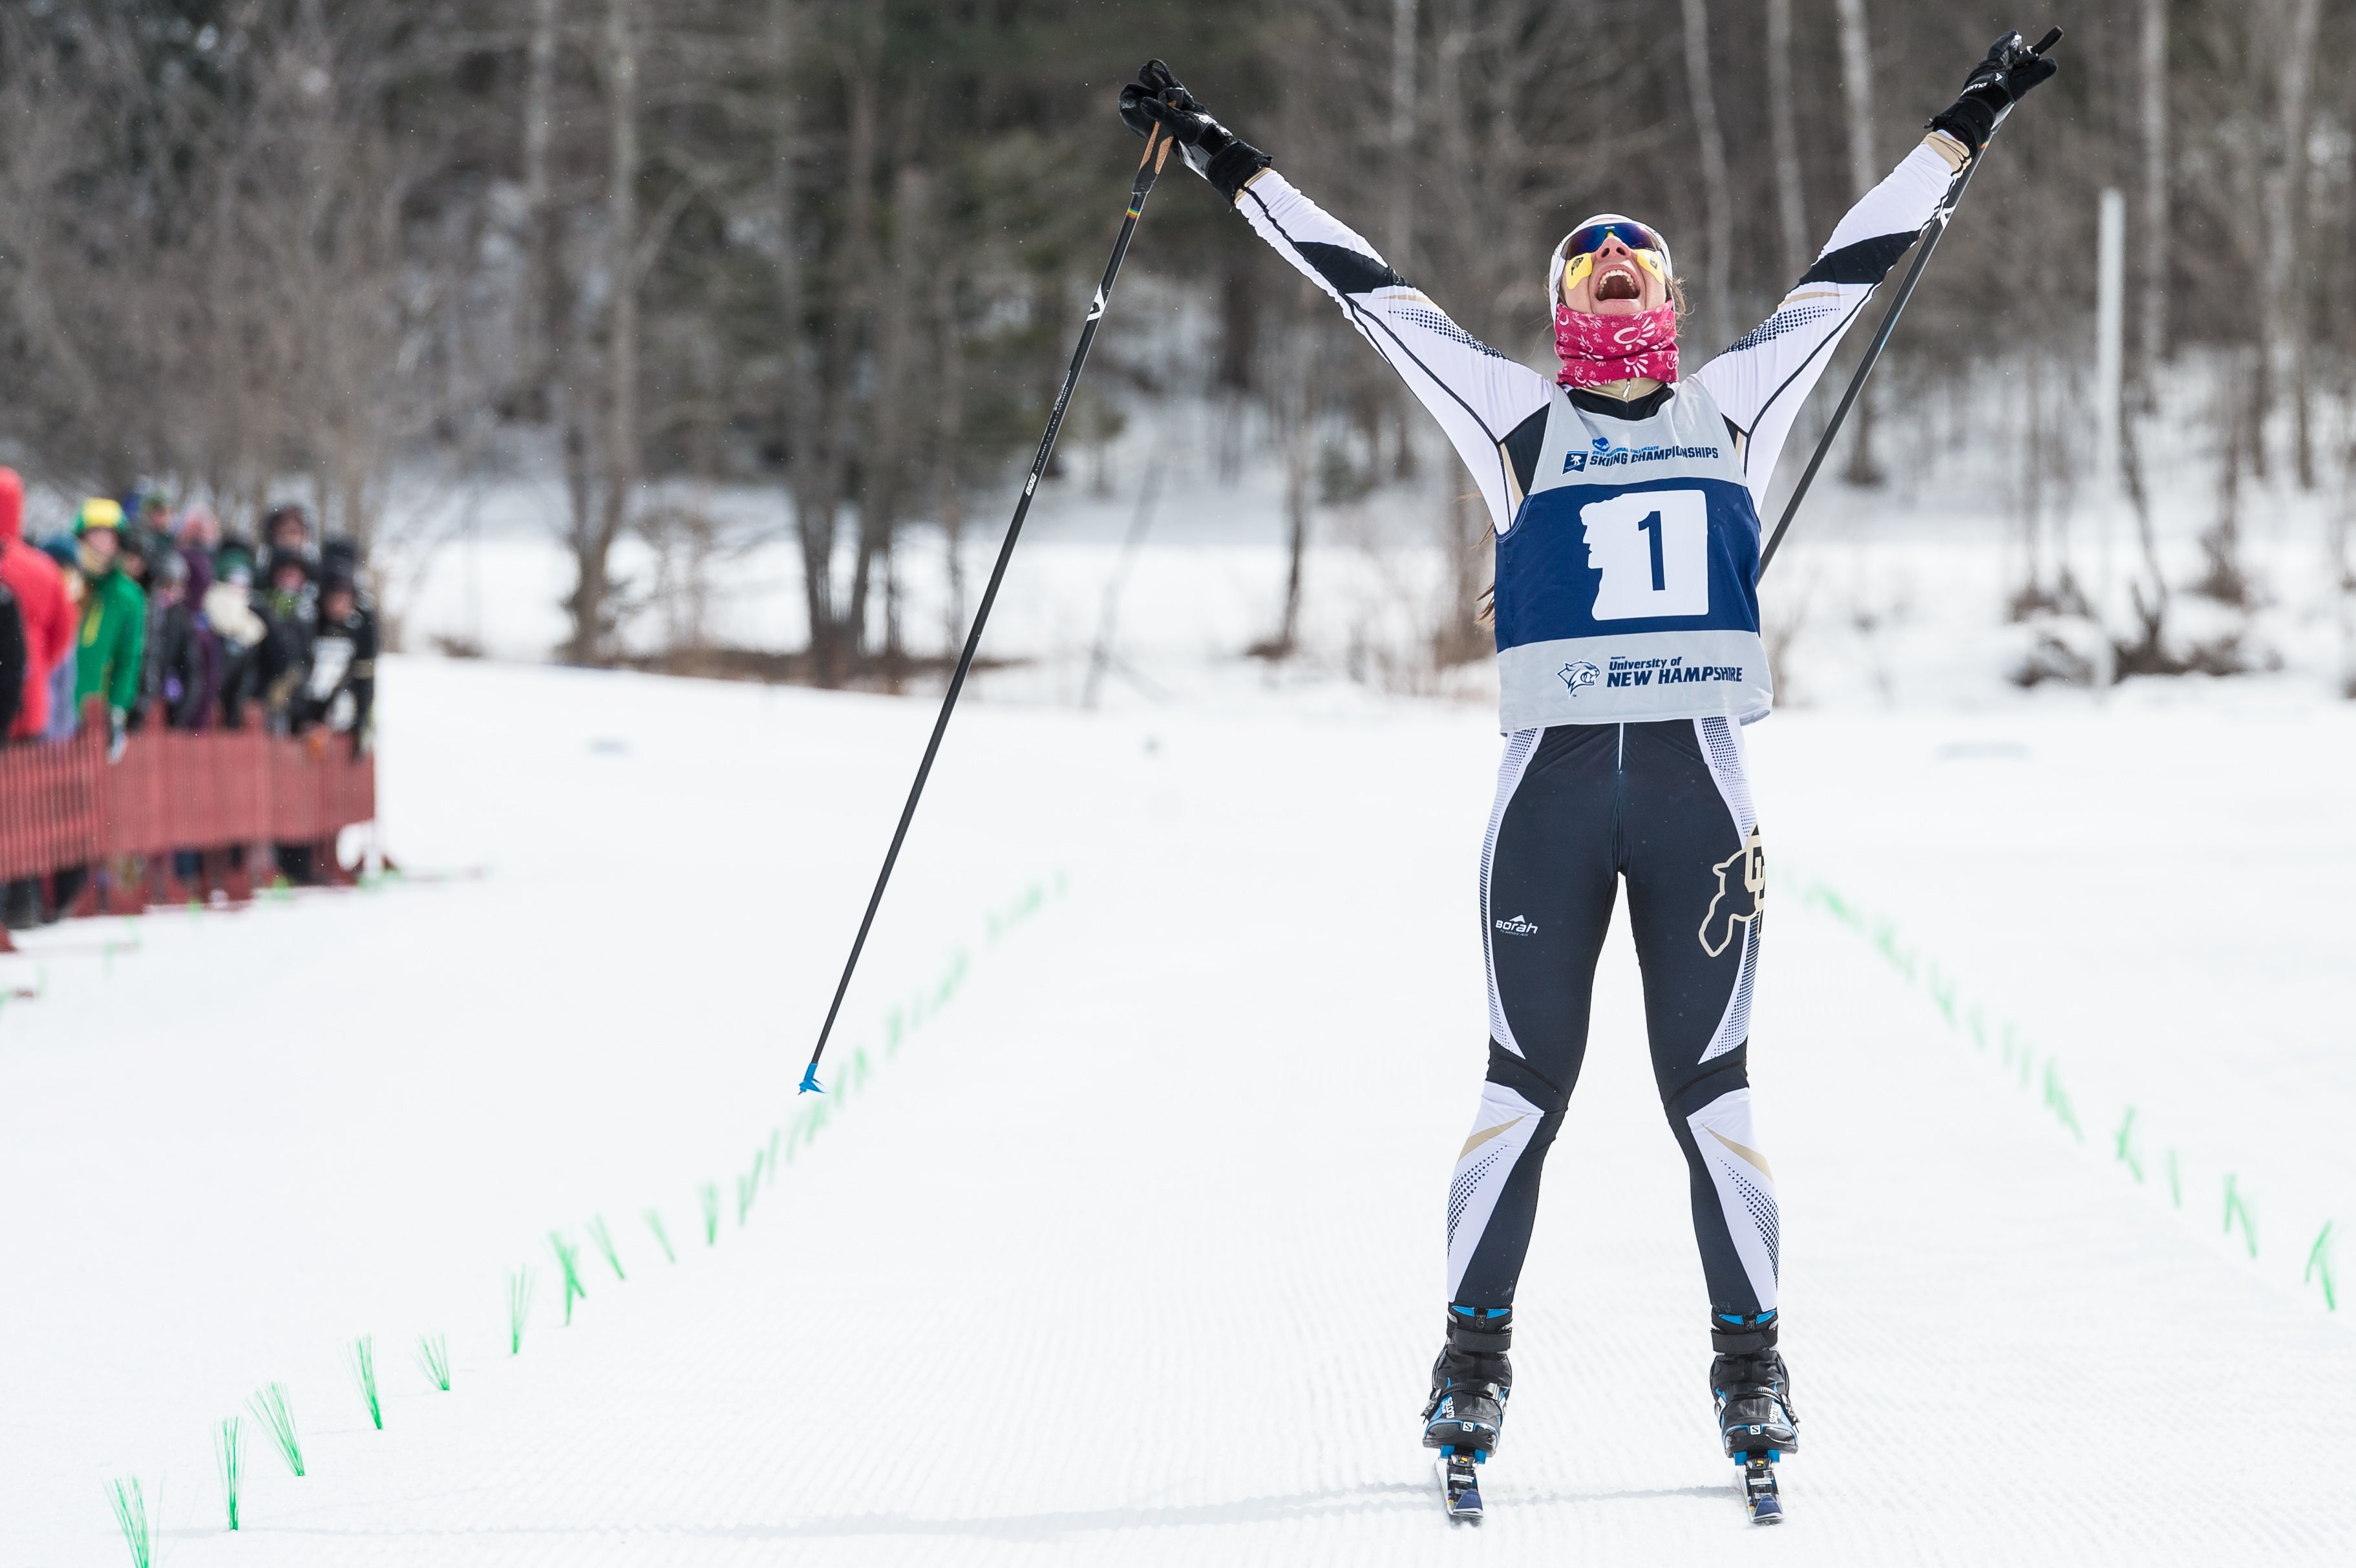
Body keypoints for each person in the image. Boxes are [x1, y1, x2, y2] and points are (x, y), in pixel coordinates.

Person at [1118, 34, 2059, 1515]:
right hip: (1547, 810)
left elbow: (1854, 262)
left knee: (1712, 1096)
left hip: (1695, 803)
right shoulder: (1509, 418)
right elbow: (1362, 290)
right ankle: (1468, 1359)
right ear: (1565, 311)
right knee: (1520, 1089)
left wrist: (1962, 127)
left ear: (1668, 306)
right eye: (1589, 265)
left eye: (1636, 263)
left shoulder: (1739, 401)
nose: (1614, 266)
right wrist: (1221, 155)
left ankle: (1748, 1366)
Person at [0, 467, 74, 747]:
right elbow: (63, 633)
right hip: (31, 697)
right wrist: (37, 661)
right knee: (29, 782)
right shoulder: (44, 568)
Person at [71, 498, 145, 762]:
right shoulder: (66, 578)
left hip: (94, 711)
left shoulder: (128, 596)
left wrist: (118, 709)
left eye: (109, 537)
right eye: (95, 535)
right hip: (57, 703)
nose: (102, 545)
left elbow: (129, 658)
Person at [306, 571, 376, 755]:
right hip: (311, 710)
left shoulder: (360, 632)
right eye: (334, 600)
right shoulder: (312, 626)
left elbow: (365, 679)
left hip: (342, 713)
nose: (339, 607)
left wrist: (363, 720)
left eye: (344, 601)